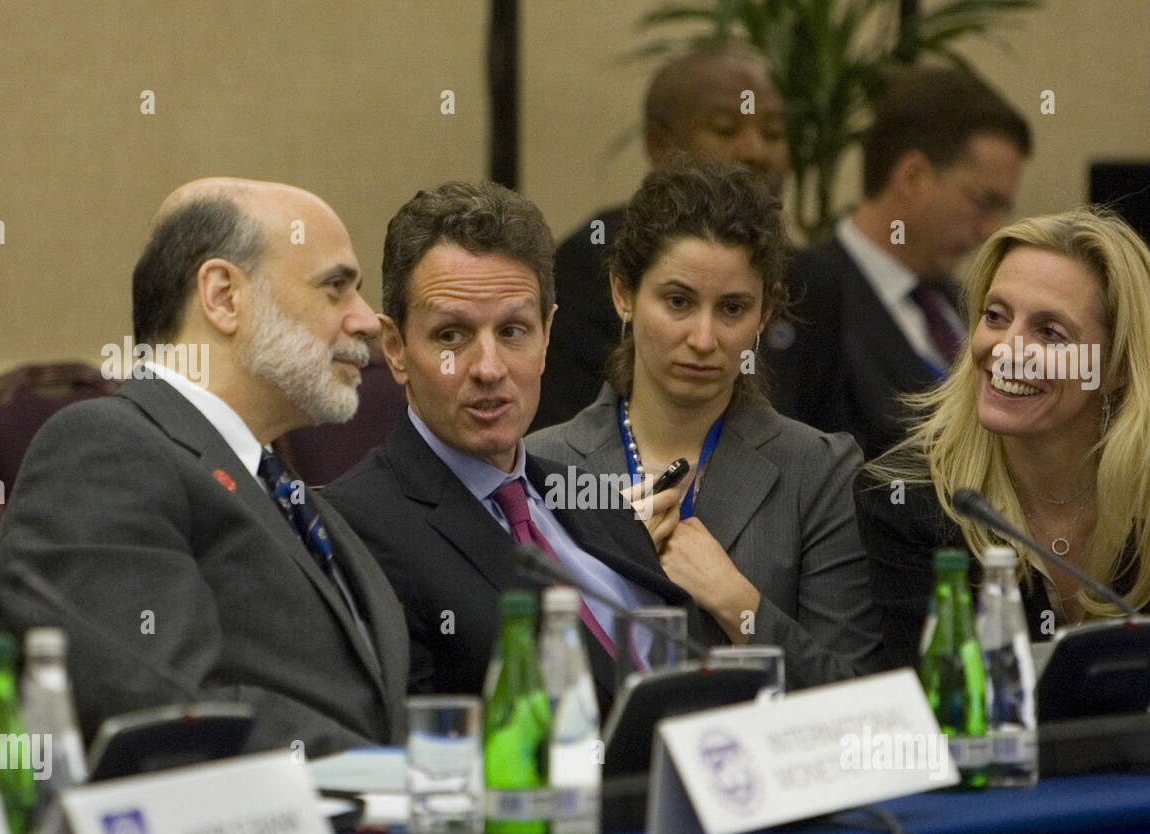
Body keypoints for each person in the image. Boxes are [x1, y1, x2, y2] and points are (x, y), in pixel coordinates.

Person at [0, 178, 411, 754]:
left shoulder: (276, 484)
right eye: (336, 288)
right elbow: (168, 710)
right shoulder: (102, 452)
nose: (365, 321)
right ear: (224, 297)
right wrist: (386, 774)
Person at [323, 180, 696, 711]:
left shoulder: (590, 496)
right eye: (451, 335)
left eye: (514, 331)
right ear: (396, 348)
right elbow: (419, 746)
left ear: (547, 335)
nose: (489, 369)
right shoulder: (354, 527)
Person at [529, 155, 884, 689]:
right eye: (678, 302)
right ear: (623, 294)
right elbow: (523, 680)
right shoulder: (542, 464)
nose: (703, 338)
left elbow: (854, 694)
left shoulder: (817, 470)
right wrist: (615, 572)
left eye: (733, 309)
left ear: (765, 314)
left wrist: (738, 604)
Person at [854, 207, 1150, 685]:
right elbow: (928, 701)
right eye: (995, 317)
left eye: (1049, 333)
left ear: (1117, 366)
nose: (1006, 350)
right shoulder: (910, 496)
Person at [532, 40, 822, 432]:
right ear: (660, 144)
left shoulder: (815, 281)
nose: (755, 151)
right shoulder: (594, 259)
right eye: (726, 129)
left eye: (772, 133)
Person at [769, 65, 1030, 460]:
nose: (992, 230)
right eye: (982, 202)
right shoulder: (804, 303)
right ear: (912, 177)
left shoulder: (969, 307)